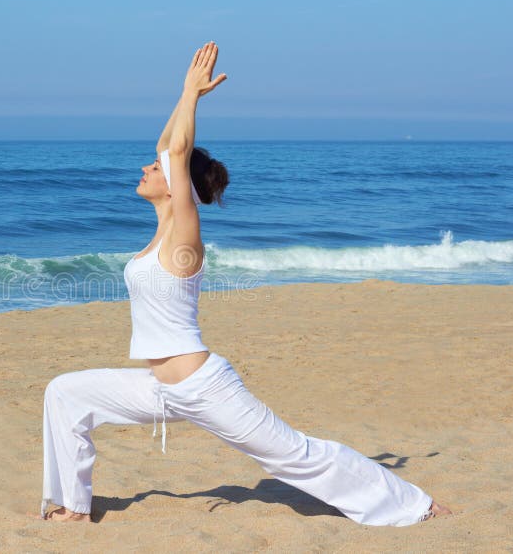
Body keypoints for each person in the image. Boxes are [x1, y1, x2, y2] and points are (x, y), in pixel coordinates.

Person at [38, 42, 451, 525]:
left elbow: (175, 150)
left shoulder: (183, 238)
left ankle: (415, 504)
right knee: (65, 393)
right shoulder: (158, 236)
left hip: (203, 386)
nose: (147, 168)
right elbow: (166, 147)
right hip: (161, 386)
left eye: (156, 170)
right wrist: (183, 93)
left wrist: (193, 96)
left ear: (179, 186)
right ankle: (73, 506)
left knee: (294, 455)